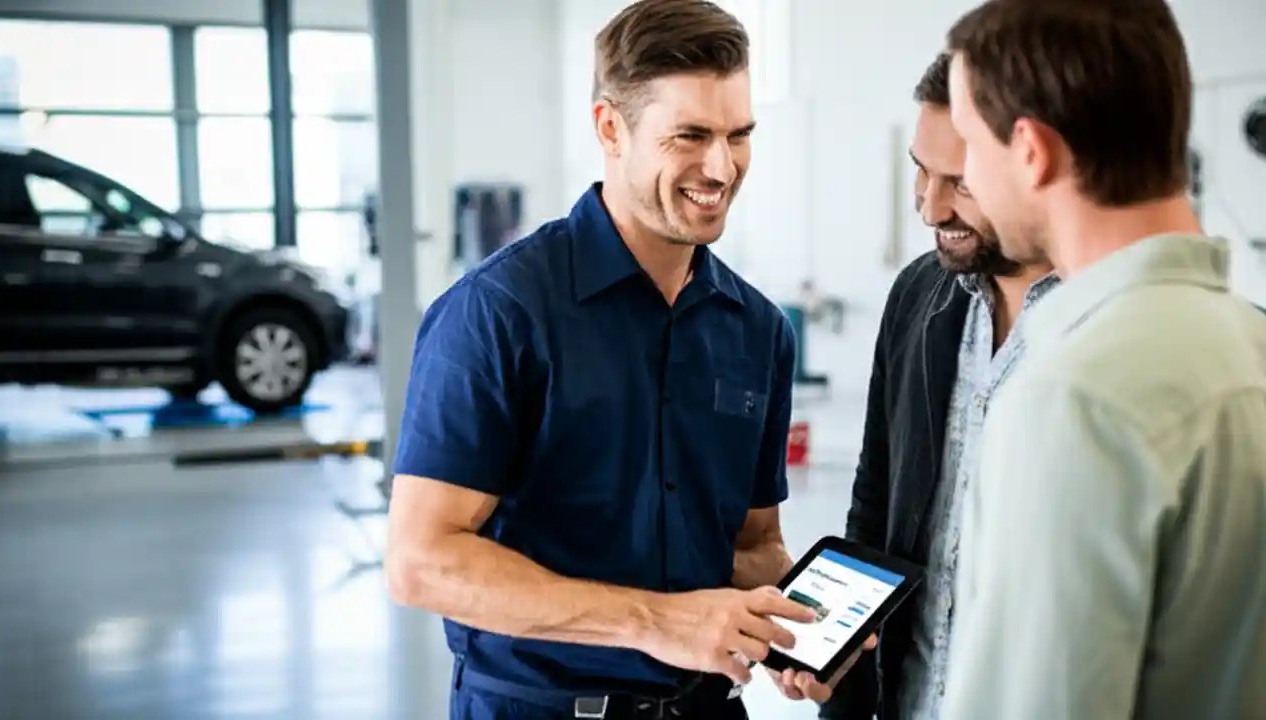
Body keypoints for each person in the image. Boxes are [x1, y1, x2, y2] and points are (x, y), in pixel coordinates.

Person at [384, 2, 864, 718]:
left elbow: (752, 544)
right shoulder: (500, 311)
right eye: (691, 136)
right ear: (610, 127)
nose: (722, 166)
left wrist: (800, 625)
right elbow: (422, 561)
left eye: (739, 135)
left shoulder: (758, 330)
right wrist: (657, 622)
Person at [941, 1, 1266, 718]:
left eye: (968, 140)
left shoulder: (1074, 396)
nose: (963, 177)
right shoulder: (1250, 347)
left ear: (1031, 151)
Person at [819, 52, 1058, 720]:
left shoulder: (1119, 330)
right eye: (921, 172)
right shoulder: (919, 295)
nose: (929, 206)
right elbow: (874, 509)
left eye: (960, 181)